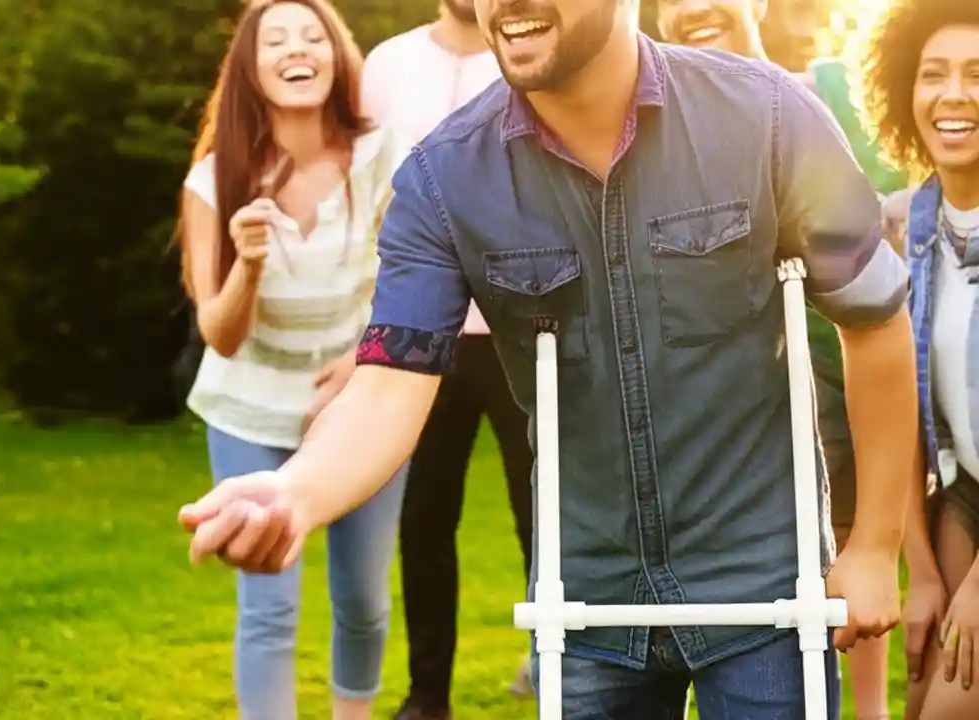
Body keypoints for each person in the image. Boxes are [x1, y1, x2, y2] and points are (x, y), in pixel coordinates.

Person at [179, 0, 918, 717]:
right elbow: (386, 386)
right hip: (587, 589)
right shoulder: (442, 180)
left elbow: (875, 319)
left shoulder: (765, 115)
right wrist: (294, 493)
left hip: (762, 578)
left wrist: (876, 544)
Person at [652, 1, 901, 716]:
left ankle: (873, 707)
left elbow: (906, 183)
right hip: (758, 377)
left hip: (851, 356)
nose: (693, 8)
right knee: (810, 548)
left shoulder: (828, 94)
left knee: (858, 538)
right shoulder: (670, 122)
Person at [176, 1, 410, 717]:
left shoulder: (378, 155)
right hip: (249, 408)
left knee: (364, 600)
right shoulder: (215, 180)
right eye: (274, 39)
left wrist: (359, 365)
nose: (295, 49)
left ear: (336, 57)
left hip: (358, 406)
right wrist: (247, 263)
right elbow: (218, 331)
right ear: (249, 67)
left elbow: (411, 276)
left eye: (313, 36)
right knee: (269, 609)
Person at [359, 3, 536, 716]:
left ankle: (558, 666)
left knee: (543, 512)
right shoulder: (387, 67)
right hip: (418, 336)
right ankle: (426, 693)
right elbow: (366, 195)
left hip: (522, 327)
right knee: (425, 518)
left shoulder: (528, 49)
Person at [865, 1, 979, 717]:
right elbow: (895, 402)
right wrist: (926, 571)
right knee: (919, 697)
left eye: (977, 74)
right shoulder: (912, 226)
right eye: (933, 74)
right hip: (964, 496)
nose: (952, 94)